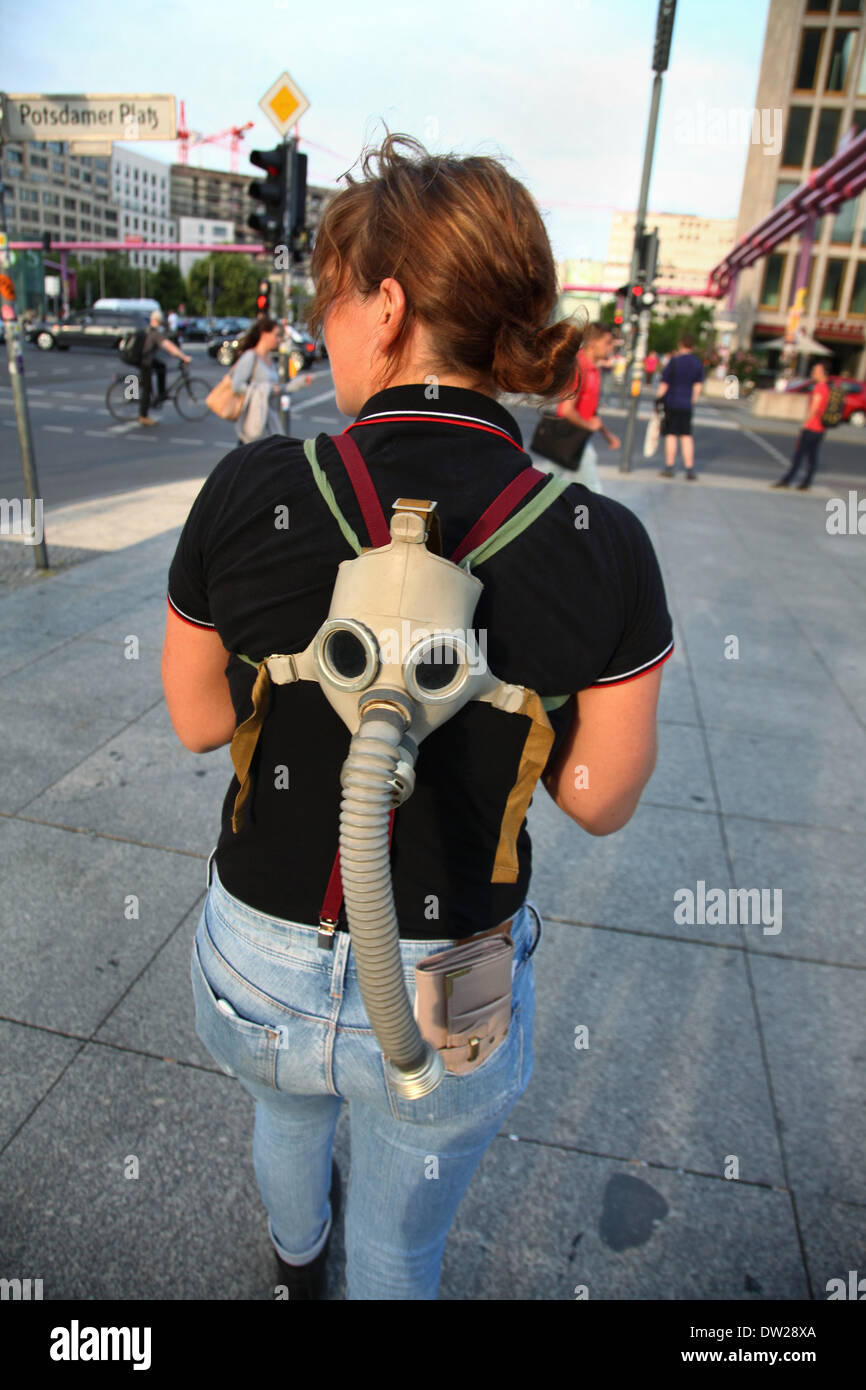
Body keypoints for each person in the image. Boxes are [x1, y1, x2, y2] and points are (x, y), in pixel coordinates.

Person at [161, 131, 673, 1301]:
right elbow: (597, 800)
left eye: (334, 301)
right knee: (402, 1247)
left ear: (383, 307)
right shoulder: (603, 543)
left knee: (285, 1123)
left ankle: (296, 1268)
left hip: (258, 961)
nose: (328, 332)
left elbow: (195, 718)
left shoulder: (252, 490)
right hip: (453, 993)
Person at [552, 322, 621, 493]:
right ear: (593, 344)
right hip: (571, 433)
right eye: (607, 342)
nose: (610, 347)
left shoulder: (593, 370)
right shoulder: (579, 367)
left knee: (550, 477)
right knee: (592, 490)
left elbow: (591, 413)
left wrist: (607, 434)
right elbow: (567, 409)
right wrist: (590, 426)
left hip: (577, 434)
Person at [771, 362, 830, 491]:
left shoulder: (819, 388)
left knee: (799, 455)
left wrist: (805, 424)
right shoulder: (826, 388)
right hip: (820, 428)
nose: (813, 373)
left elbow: (814, 408)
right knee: (812, 456)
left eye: (815, 370)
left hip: (811, 427)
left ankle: (787, 480)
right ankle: (806, 483)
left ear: (822, 373)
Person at [656, 332, 704, 479]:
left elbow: (664, 384)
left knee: (671, 434)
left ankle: (670, 467)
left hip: (672, 401)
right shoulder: (697, 363)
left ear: (680, 344)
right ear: (693, 346)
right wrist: (693, 400)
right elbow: (698, 386)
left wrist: (658, 399)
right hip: (686, 403)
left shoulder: (674, 362)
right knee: (686, 436)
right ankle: (689, 468)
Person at [138, 310, 191, 427]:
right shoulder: (154, 333)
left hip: (147, 359)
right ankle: (143, 415)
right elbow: (168, 346)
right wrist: (183, 356)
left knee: (162, 366)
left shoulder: (149, 330)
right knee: (147, 388)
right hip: (145, 362)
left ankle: (161, 394)